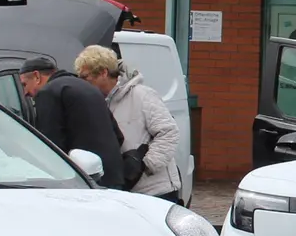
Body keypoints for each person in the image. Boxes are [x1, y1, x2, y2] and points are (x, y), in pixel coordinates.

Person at [74, 44, 183, 200]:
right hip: (126, 191)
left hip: (156, 191)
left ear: (103, 73)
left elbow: (169, 132)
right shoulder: (97, 102)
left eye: (86, 77)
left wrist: (144, 165)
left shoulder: (142, 95)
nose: (82, 82)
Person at [18, 55, 125, 189]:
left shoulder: (48, 92)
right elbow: (119, 136)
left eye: (24, 84)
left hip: (85, 183)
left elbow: (52, 146)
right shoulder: (88, 88)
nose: (25, 93)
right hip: (114, 176)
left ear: (37, 76)